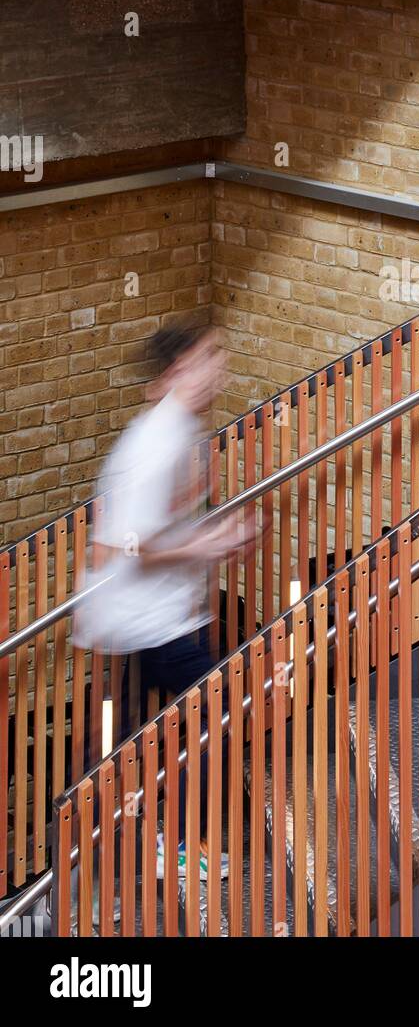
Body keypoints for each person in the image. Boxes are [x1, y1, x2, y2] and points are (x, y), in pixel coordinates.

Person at [75, 321, 250, 882]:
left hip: (158, 617)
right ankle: (161, 847)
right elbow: (123, 543)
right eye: (208, 358)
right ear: (177, 371)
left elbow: (164, 527)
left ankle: (113, 850)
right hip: (138, 620)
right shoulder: (158, 442)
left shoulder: (182, 431)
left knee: (134, 738)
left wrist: (213, 539)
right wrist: (206, 543)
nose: (219, 369)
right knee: (213, 714)